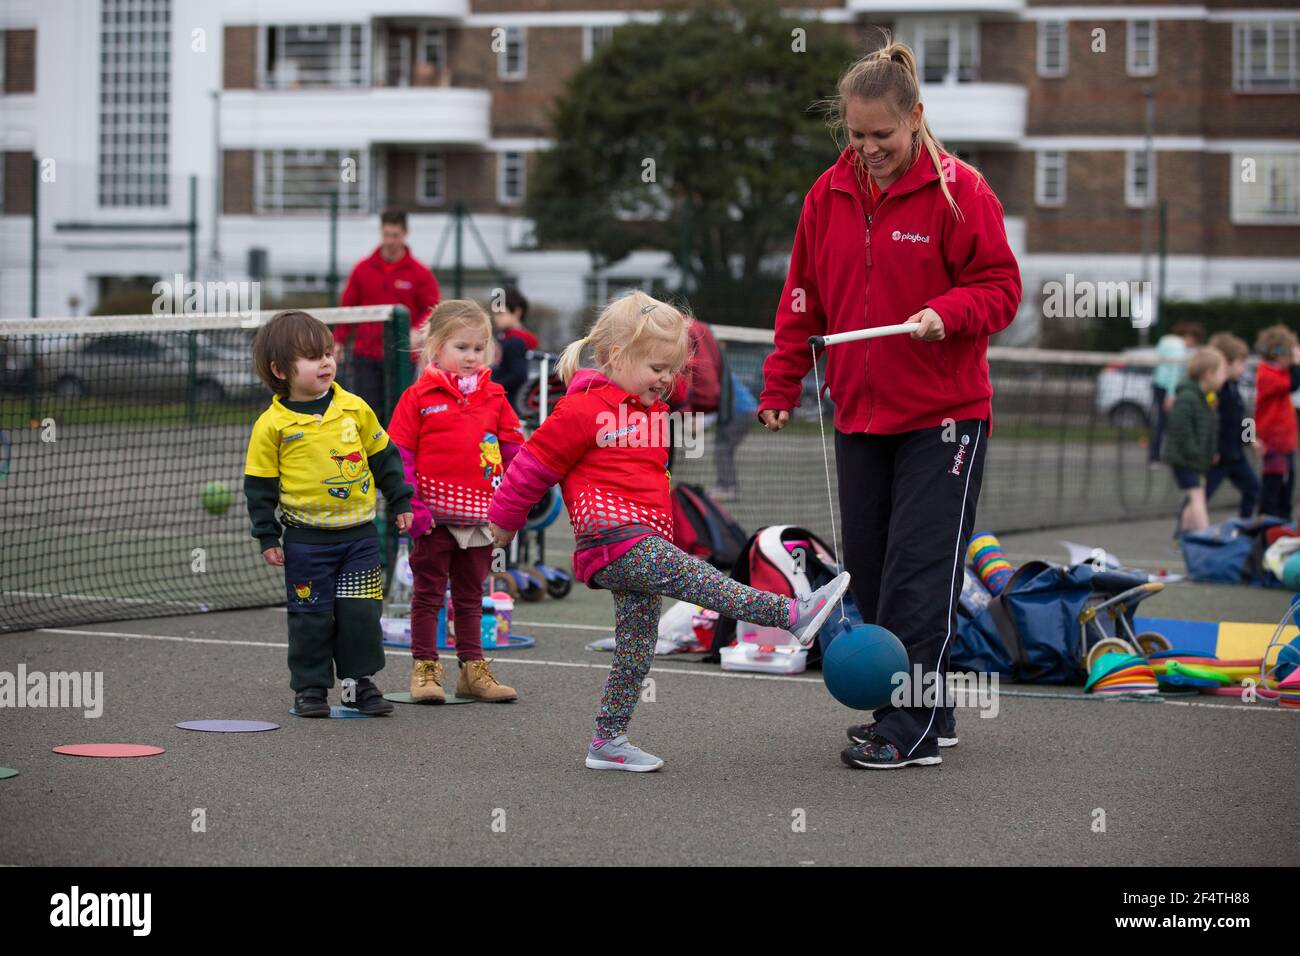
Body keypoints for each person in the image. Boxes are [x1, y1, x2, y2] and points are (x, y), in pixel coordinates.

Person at [757, 42, 1021, 769]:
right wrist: (781, 385)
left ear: (916, 118)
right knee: (869, 574)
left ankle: (908, 727)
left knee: (919, 574)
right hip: (859, 414)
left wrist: (950, 310)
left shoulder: (962, 192)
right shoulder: (827, 194)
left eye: (883, 135)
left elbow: (1001, 286)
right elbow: (802, 300)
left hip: (945, 418)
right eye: (856, 134)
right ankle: (928, 708)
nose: (869, 149)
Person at [486, 290, 851, 772]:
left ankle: (607, 741)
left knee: (637, 650)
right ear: (617, 357)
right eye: (658, 367)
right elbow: (530, 469)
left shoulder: (652, 413)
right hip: (614, 541)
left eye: (673, 369)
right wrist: (502, 525)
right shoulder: (580, 411)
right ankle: (790, 613)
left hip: (642, 540)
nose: (667, 379)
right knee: (704, 581)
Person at [244, 310, 413, 718]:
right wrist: (267, 536)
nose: (325, 362)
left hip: (359, 537)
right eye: (310, 357)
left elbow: (384, 458)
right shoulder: (272, 426)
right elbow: (260, 487)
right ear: (279, 370)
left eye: (327, 352)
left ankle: (359, 684)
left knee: (360, 615)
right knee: (311, 618)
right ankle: (310, 688)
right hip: (306, 541)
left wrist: (401, 501)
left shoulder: (354, 409)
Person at [387, 300, 525, 703]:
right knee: (428, 593)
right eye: (461, 347)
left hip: (481, 518)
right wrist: (412, 506)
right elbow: (401, 455)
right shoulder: (417, 397)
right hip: (432, 519)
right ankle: (425, 669)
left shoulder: (496, 397)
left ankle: (472, 670)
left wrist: (515, 504)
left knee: (471, 594)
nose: (471, 357)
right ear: (435, 347)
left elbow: (515, 450)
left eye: (478, 348)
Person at [334, 208, 442, 420]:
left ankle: (396, 453)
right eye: (386, 235)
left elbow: (432, 308)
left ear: (404, 234)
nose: (390, 240)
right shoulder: (362, 269)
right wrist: (338, 341)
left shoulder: (420, 273)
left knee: (399, 414)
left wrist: (417, 330)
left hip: (401, 356)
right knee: (367, 413)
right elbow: (348, 309)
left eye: (395, 235)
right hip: (365, 354)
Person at [1166, 347, 1228, 534]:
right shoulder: (1188, 398)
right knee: (1198, 496)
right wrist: (1197, 454)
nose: (1224, 377)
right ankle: (1206, 537)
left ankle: (1184, 537)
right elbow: (1181, 431)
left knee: (1195, 498)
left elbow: (1209, 428)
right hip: (1186, 460)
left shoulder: (1207, 398)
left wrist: (1211, 452)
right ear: (1209, 374)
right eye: (1222, 372)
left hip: (1203, 460)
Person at [1204, 332, 1260, 520]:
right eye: (1240, 362)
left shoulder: (1236, 387)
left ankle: (1245, 527)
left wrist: (1250, 438)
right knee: (1200, 496)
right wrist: (1211, 450)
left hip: (1236, 456)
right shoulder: (1214, 392)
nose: (1244, 367)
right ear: (1225, 363)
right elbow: (1209, 423)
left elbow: (1244, 415)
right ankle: (1182, 534)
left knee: (1254, 489)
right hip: (1218, 458)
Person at [1254, 324, 1300, 522]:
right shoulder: (1267, 375)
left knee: (1287, 486)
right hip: (1272, 442)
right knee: (1272, 488)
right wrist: (1249, 438)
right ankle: (1265, 528)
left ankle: (1283, 525)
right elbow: (1293, 384)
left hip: (1285, 443)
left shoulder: (1278, 373)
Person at [1149, 321, 1205, 465]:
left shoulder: (1165, 341)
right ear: (1189, 337)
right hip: (1167, 389)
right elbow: (1173, 372)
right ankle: (1159, 457)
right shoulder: (1178, 348)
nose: (1193, 345)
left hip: (1158, 385)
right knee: (1166, 423)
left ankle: (1159, 455)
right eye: (1195, 341)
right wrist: (1171, 395)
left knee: (1163, 422)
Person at [490, 286, 539, 411]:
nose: (496, 317)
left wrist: (493, 386)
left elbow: (518, 374)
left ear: (517, 312)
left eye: (500, 313)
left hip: (511, 403)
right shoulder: (508, 338)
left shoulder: (515, 342)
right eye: (495, 313)